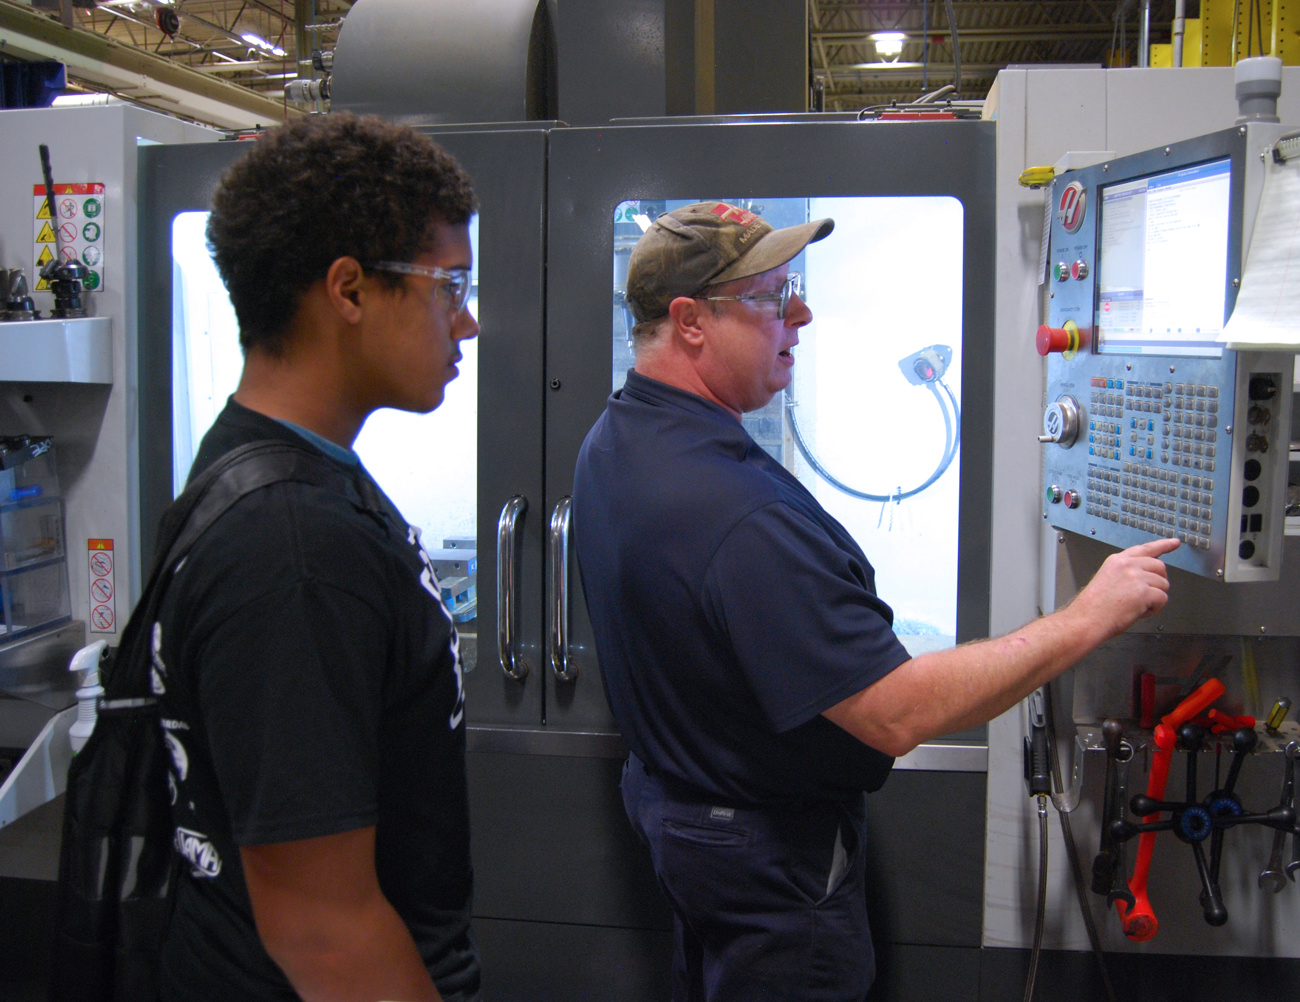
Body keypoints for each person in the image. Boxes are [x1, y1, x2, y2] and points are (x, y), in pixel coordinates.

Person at [571, 201, 1178, 1002]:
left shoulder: (617, 438)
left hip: (681, 813)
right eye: (771, 297)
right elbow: (894, 714)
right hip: (766, 858)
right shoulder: (735, 513)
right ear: (689, 322)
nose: (802, 313)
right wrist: (1086, 617)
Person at [152, 114, 482, 1002]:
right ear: (348, 290)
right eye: (451, 285)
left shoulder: (262, 463)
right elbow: (322, 930)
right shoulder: (293, 545)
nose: (471, 320)